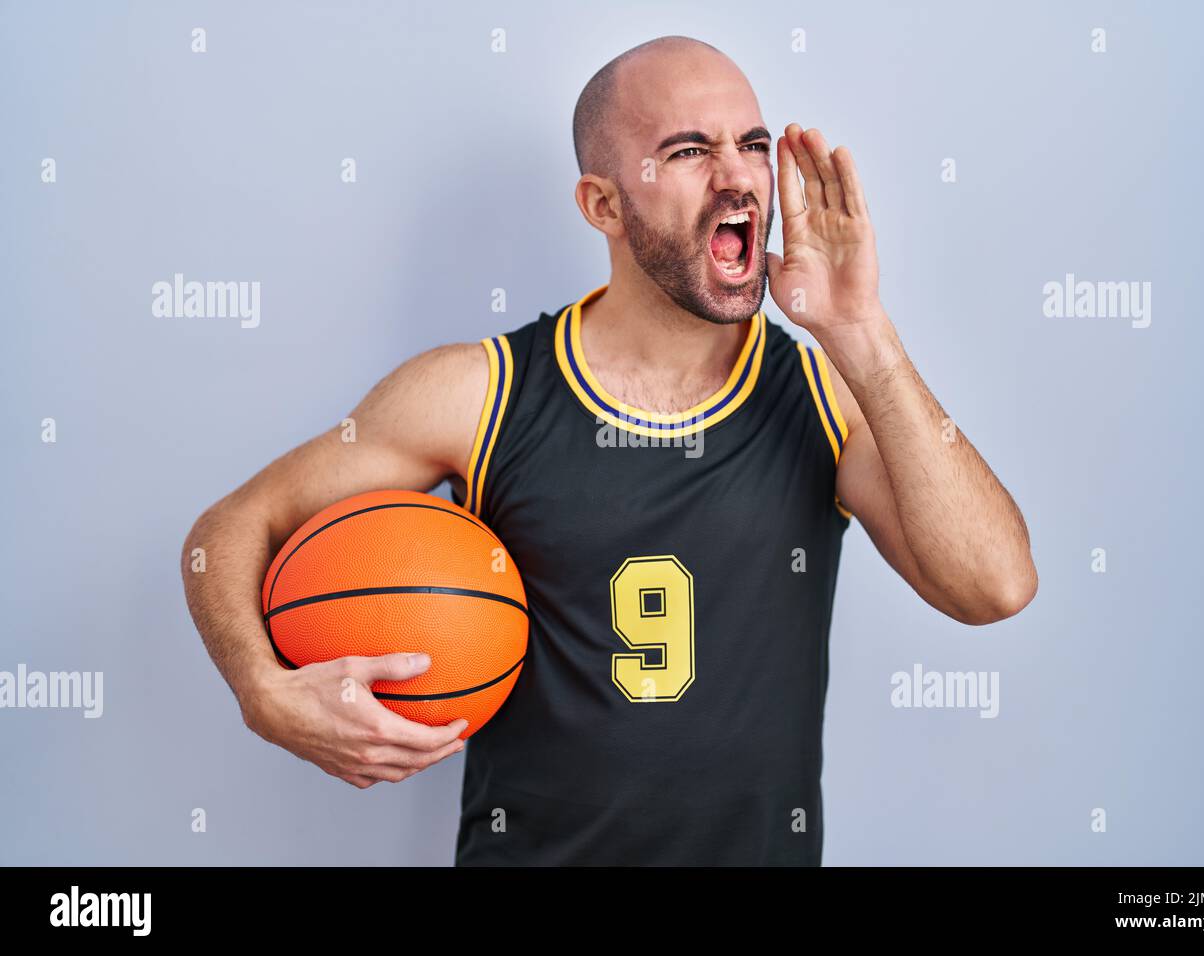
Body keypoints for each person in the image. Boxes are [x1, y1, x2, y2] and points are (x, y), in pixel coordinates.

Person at [181, 35, 1037, 866]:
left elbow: (994, 586)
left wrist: (863, 333)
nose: (741, 174)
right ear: (602, 205)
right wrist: (263, 691)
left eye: (751, 143)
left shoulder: (826, 392)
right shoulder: (481, 393)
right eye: (691, 150)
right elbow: (226, 529)